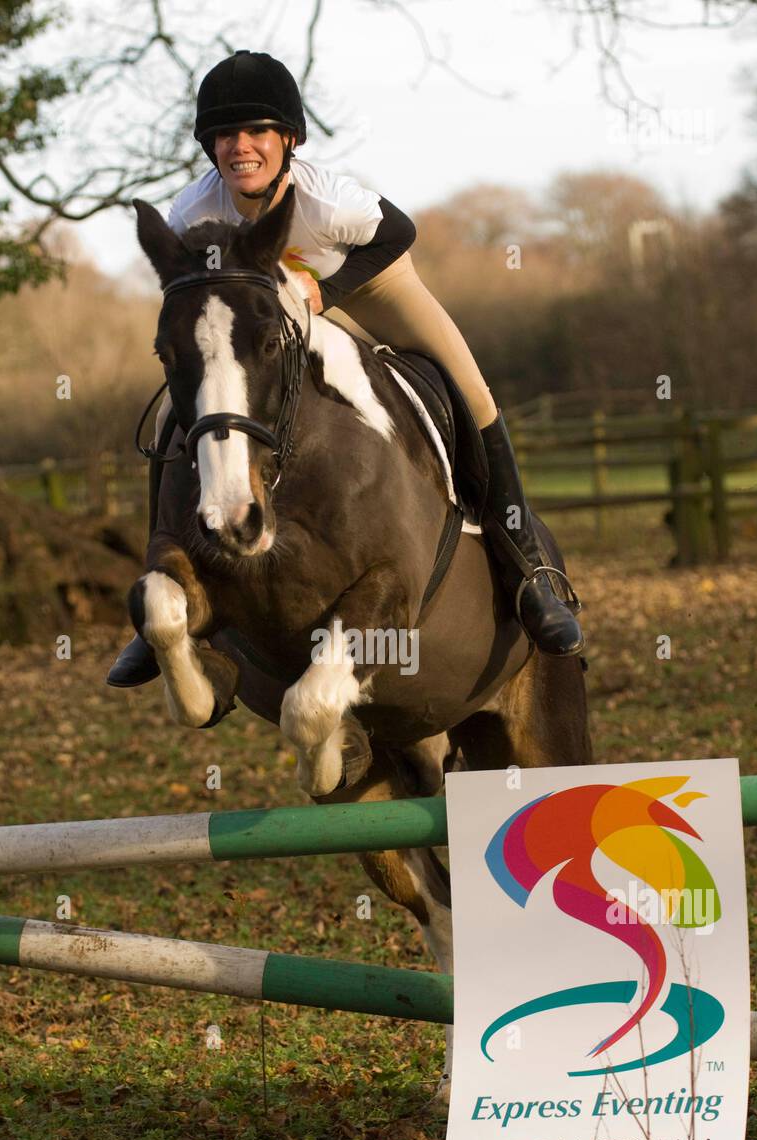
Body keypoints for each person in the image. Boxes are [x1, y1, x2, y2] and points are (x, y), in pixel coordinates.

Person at [108, 50, 584, 687]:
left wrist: (323, 296)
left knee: (470, 390)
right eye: (226, 134)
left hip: (370, 289)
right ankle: (162, 582)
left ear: (289, 139)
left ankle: (530, 573)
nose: (240, 147)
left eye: (256, 132)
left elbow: (399, 232)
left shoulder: (331, 202)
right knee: (175, 412)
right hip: (275, 317)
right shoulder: (193, 213)